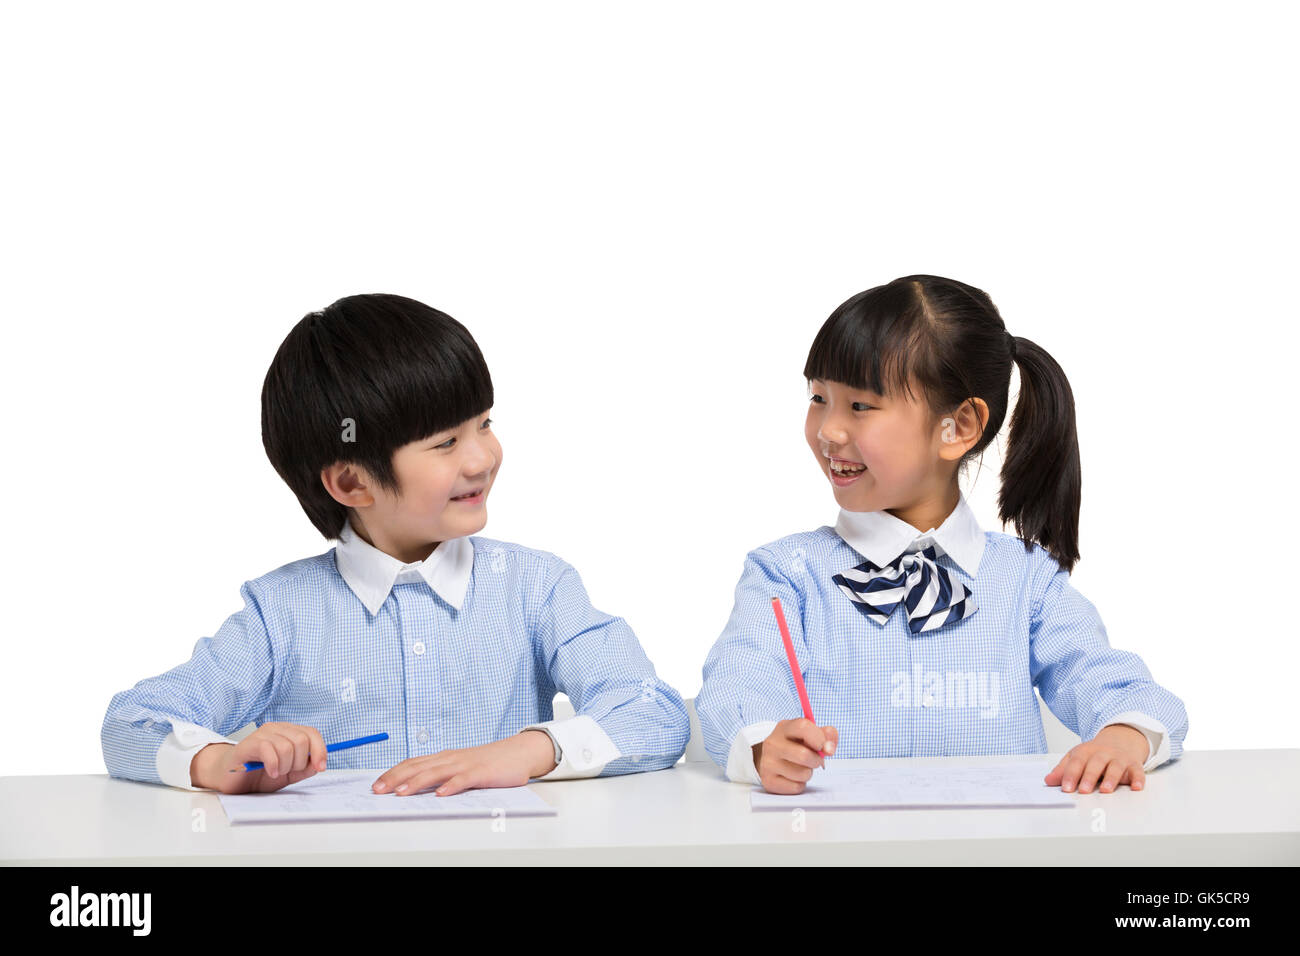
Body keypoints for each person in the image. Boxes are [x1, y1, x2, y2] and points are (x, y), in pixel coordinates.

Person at [102, 293, 689, 796]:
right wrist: (219, 762)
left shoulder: (537, 587)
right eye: (445, 443)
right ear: (352, 482)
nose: (483, 457)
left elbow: (653, 710)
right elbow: (129, 724)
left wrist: (533, 750)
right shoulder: (279, 614)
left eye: (484, 423)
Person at [696, 275, 1188, 795]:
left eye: (860, 406)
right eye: (819, 397)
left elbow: (1114, 683)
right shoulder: (785, 574)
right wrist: (762, 743)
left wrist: (1123, 736)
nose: (828, 430)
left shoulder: (1026, 581)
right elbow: (740, 680)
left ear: (959, 427)